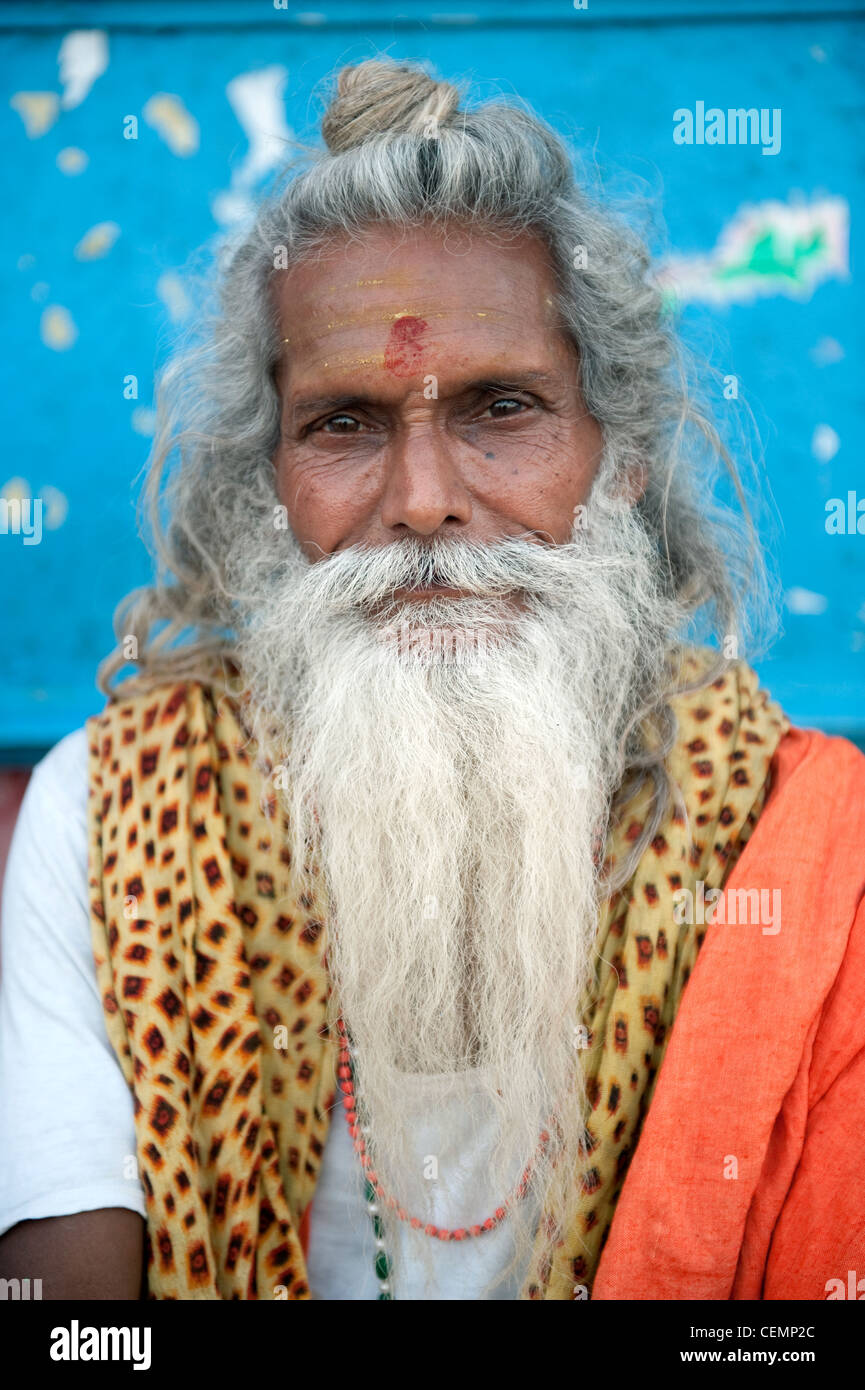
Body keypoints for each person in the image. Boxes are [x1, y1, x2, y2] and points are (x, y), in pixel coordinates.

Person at [1, 57, 863, 1302]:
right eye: (344, 424)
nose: (420, 503)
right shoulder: (111, 815)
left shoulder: (792, 843)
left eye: (501, 409)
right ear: (271, 486)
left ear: (614, 459)